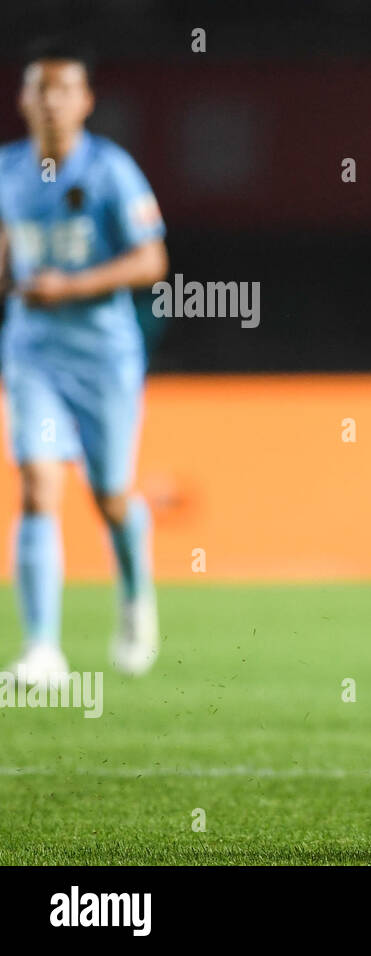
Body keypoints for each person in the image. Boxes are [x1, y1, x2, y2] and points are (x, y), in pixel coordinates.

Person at [0, 40, 168, 684]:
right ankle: (43, 649)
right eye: (39, 89)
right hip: (33, 355)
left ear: (86, 102)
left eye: (62, 89)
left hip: (103, 358)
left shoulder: (109, 171)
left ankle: (134, 596)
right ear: (22, 101)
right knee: (39, 488)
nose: (50, 100)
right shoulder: (11, 172)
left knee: (110, 495)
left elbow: (151, 261)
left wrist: (67, 286)